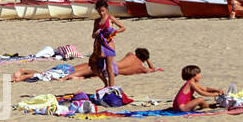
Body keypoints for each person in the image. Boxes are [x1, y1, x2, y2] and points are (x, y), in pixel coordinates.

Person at [13, 48, 160, 82]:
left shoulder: (131, 55)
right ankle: (23, 74)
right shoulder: (141, 68)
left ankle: (24, 71)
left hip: (111, 64)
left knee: (83, 69)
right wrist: (147, 60)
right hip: (112, 70)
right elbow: (153, 69)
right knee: (84, 73)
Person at [89, 0, 126, 88]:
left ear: (106, 9)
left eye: (103, 11)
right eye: (99, 11)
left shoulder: (110, 18)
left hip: (109, 45)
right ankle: (106, 83)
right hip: (98, 46)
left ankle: (111, 87)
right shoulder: (97, 21)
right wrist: (97, 33)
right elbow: (93, 35)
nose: (101, 13)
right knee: (93, 67)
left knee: (109, 68)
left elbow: (123, 28)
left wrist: (113, 31)